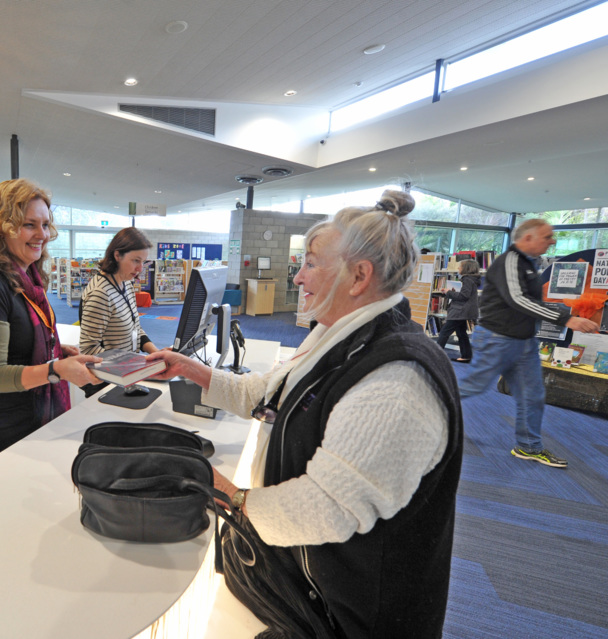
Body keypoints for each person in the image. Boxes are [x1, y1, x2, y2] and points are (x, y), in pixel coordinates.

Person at [147, 190, 463, 637]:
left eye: (311, 262)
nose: (298, 277)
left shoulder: (398, 381)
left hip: (348, 618)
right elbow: (271, 394)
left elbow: (326, 509)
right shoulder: (336, 335)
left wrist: (231, 498)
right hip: (307, 590)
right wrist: (195, 372)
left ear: (358, 276)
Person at [0, 179, 101, 454]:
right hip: (0, 428)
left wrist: (56, 351)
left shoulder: (31, 279)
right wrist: (55, 370)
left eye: (45, 225)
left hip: (36, 418)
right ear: (3, 228)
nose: (42, 234)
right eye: (29, 225)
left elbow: (23, 345)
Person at [456, 219, 598, 468]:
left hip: (523, 342)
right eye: (547, 236)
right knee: (473, 387)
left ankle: (529, 447)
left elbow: (530, 303)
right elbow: (518, 300)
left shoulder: (530, 264)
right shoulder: (509, 261)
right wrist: (566, 319)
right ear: (528, 238)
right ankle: (424, 412)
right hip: (497, 339)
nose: (552, 240)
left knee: (532, 395)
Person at [79, 227, 159, 356]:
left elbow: (135, 327)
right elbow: (88, 350)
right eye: (136, 260)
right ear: (117, 255)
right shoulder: (101, 294)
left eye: (143, 262)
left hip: (128, 367)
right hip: (111, 373)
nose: (140, 268)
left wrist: (156, 353)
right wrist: (126, 365)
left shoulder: (126, 282)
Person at [436, 258, 481, 362]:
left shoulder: (467, 280)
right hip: (464, 311)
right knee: (461, 333)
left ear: (466, 269)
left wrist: (448, 292)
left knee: (444, 332)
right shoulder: (472, 280)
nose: (458, 268)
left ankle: (436, 356)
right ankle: (466, 356)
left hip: (460, 311)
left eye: (460, 266)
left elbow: (463, 296)